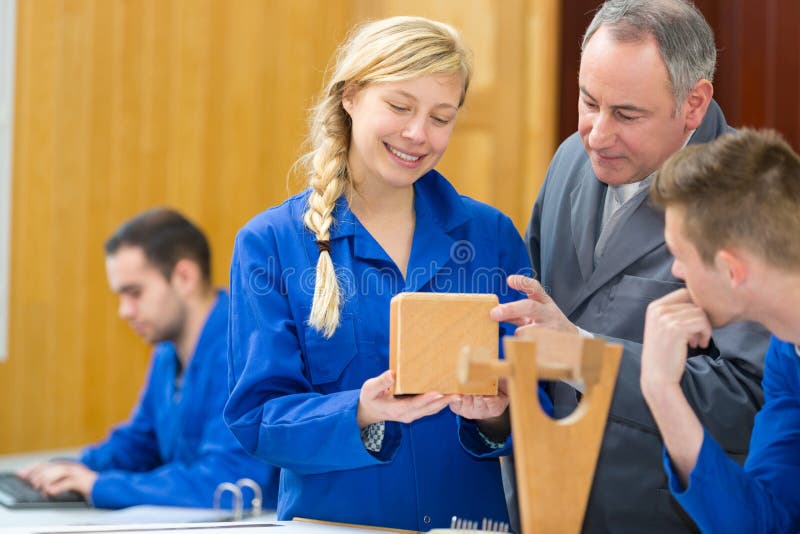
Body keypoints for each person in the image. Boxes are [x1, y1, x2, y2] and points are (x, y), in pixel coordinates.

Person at [223, 16, 548, 532]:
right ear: (350, 96)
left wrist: (495, 414)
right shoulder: (271, 244)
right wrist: (362, 410)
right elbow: (257, 418)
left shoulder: (492, 237)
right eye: (399, 107)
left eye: (441, 117)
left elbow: (542, 408)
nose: (418, 134)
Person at [455, 1, 770, 531]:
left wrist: (583, 354)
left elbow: (750, 400)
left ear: (693, 104)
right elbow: (538, 345)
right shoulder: (570, 159)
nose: (597, 134)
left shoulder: (755, 201)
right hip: (542, 509)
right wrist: (499, 412)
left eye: (626, 114)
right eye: (588, 102)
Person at [19, 208, 278, 510]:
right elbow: (142, 442)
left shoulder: (245, 349)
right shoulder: (167, 351)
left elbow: (227, 483)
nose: (124, 311)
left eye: (135, 292)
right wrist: (71, 468)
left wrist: (98, 485)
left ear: (184, 277)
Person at [641, 129, 800, 533]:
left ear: (732, 270)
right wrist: (661, 391)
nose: (676, 271)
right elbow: (759, 524)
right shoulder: (787, 349)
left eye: (680, 255)